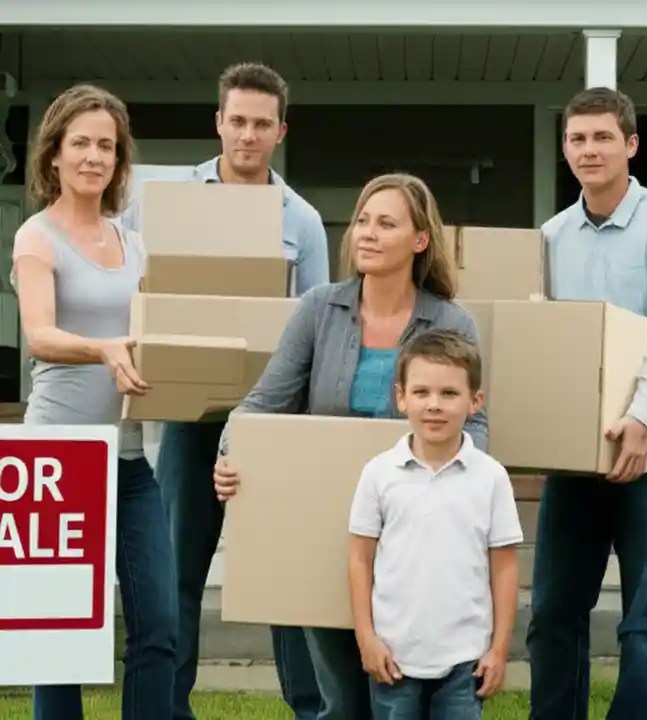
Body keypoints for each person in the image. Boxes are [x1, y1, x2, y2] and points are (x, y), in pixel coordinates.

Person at [211, 172, 490, 719]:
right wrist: (231, 452)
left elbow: (477, 428)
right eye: (363, 220)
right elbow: (262, 402)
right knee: (340, 697)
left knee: (405, 694)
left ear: (419, 240)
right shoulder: (320, 308)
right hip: (330, 526)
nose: (367, 232)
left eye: (386, 223)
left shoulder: (452, 320)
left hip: (418, 532)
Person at [118, 61, 329, 720]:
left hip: (270, 421)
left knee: (284, 580)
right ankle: (168, 710)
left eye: (261, 124)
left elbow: (315, 324)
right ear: (217, 122)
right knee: (177, 576)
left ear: (280, 131)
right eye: (236, 121)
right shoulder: (170, 203)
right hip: (190, 411)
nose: (247, 135)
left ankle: (311, 709)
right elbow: (138, 295)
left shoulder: (304, 220)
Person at [13, 84, 178, 720]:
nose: (93, 156)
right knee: (59, 641)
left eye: (106, 145)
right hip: (57, 461)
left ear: (118, 159)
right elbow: (39, 334)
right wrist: (107, 349)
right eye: (80, 142)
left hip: (130, 460)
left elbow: (149, 335)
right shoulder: (36, 236)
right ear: (53, 154)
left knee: (160, 626)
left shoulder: (133, 244)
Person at [527, 87, 647, 720]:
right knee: (552, 612)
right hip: (575, 458)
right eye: (577, 139)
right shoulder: (551, 238)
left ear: (631, 144)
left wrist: (643, 418)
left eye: (603, 137)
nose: (589, 150)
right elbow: (549, 346)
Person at [347, 330, 520, 719]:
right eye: (422, 392)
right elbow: (360, 559)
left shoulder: (491, 478)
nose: (434, 405)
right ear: (401, 397)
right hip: (394, 656)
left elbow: (505, 567)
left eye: (449, 394)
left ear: (475, 401)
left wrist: (498, 650)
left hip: (465, 659)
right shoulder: (378, 474)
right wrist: (366, 638)